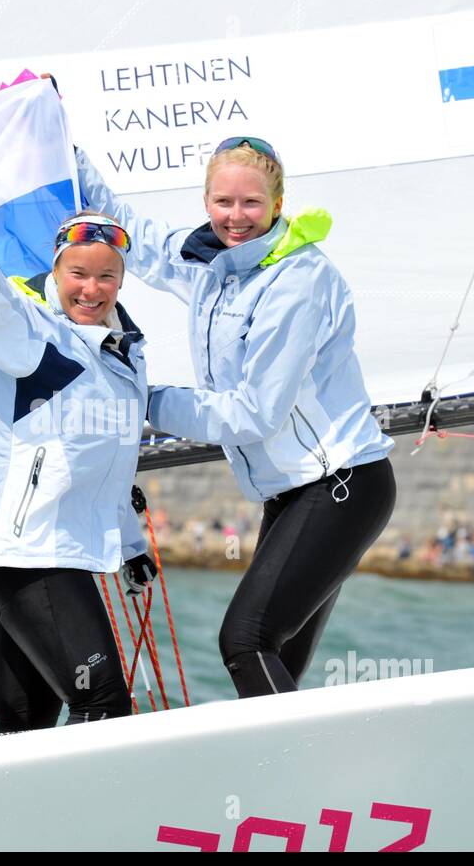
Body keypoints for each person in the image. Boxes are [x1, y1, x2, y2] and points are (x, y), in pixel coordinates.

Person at [75, 134, 396, 698]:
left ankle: (306, 774)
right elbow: (136, 238)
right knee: (277, 668)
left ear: (277, 203)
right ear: (206, 202)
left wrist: (140, 396)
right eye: (223, 202)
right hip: (295, 491)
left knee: (245, 641)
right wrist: (64, 147)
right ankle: (294, 781)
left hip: (342, 486)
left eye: (251, 203)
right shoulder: (212, 265)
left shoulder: (298, 279)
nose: (236, 216)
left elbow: (255, 413)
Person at [0, 96, 156, 731]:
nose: (91, 289)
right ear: (56, 270)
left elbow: (102, 467)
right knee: (104, 704)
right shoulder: (29, 334)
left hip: (53, 555)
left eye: (106, 276)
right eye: (77, 273)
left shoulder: (123, 356)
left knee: (23, 733)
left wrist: (133, 544)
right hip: (27, 552)